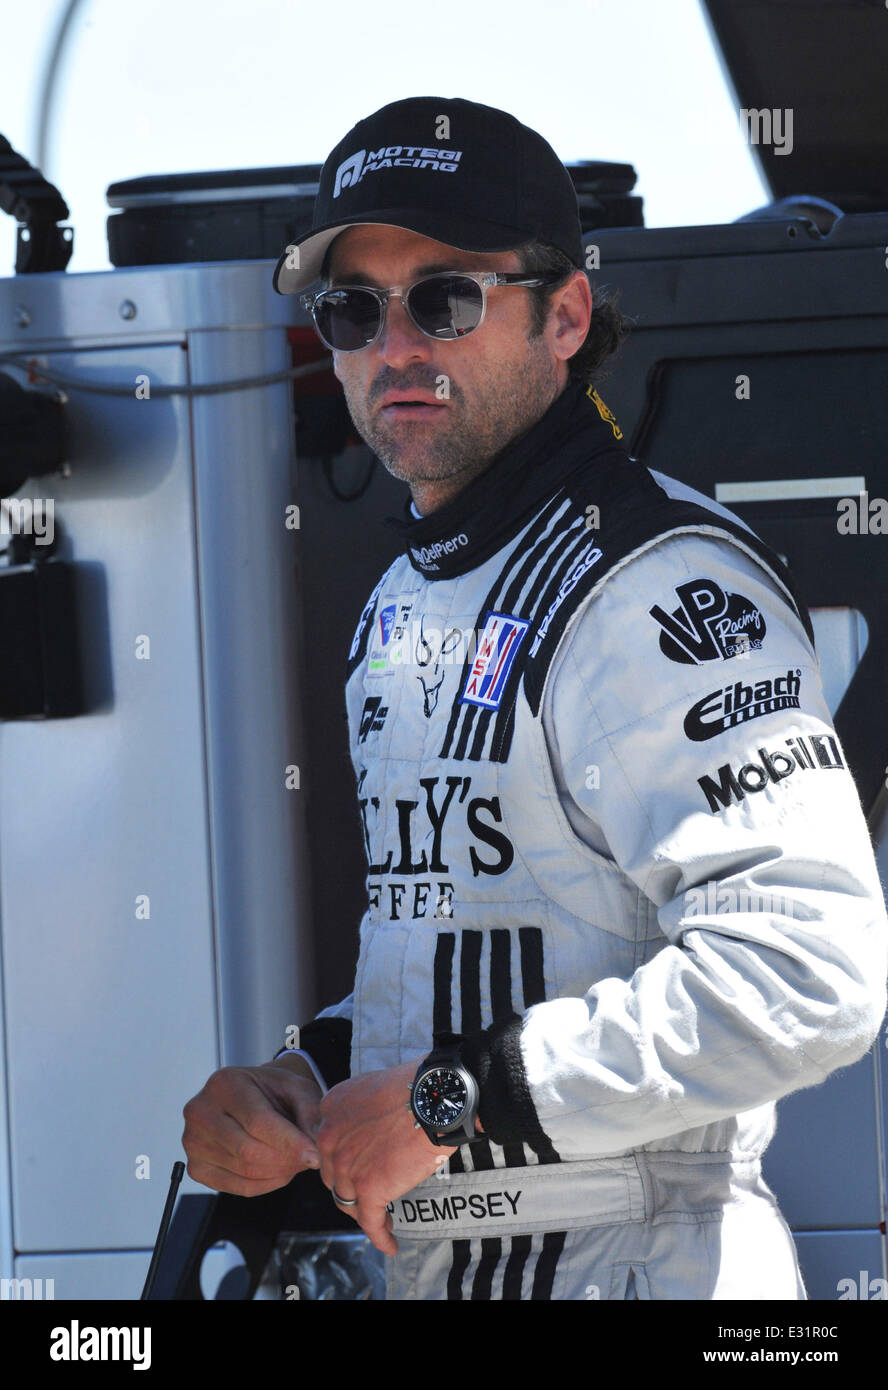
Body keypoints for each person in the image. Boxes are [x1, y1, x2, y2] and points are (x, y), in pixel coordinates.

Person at [182, 96, 888, 1301]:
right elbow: (484, 953)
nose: (396, 344)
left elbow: (807, 972)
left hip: (647, 1263)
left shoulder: (657, 584)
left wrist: (449, 1103)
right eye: (354, 308)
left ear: (564, 316)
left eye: (445, 298)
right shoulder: (405, 605)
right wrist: (307, 1080)